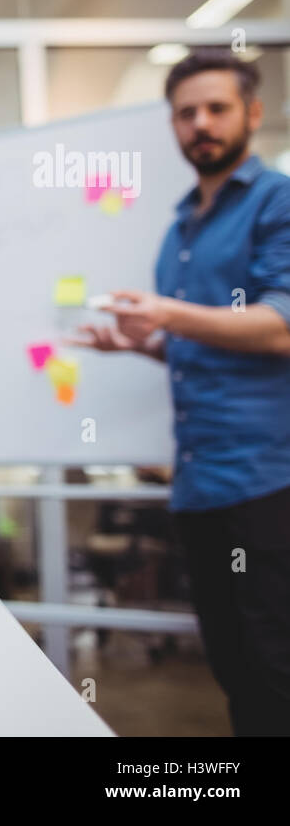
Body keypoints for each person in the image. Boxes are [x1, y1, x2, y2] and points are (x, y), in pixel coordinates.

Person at [71, 49, 290, 735]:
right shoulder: (178, 230)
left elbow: (281, 326)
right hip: (197, 485)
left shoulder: (275, 201)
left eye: (216, 108)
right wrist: (146, 342)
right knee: (230, 665)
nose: (201, 123)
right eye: (186, 112)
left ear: (252, 114)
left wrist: (167, 314)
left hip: (266, 482)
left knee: (273, 667)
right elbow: (215, 340)